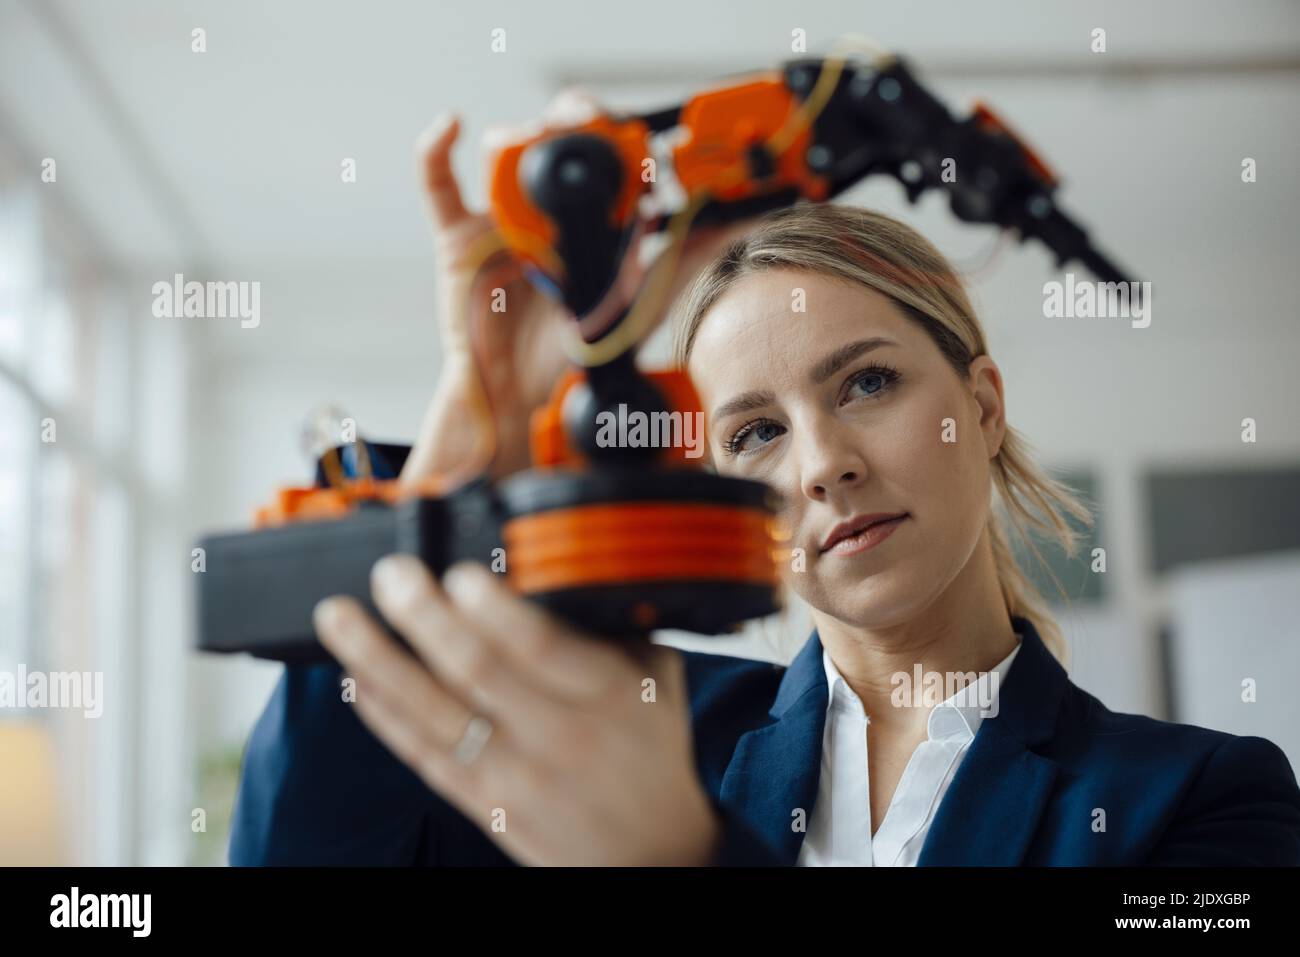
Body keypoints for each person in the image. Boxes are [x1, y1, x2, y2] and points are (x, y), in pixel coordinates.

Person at [228, 96, 1300, 866]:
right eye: (750, 434)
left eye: (867, 381)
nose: (822, 461)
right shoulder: (618, 717)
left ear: (979, 404)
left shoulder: (1194, 803)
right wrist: (457, 482)